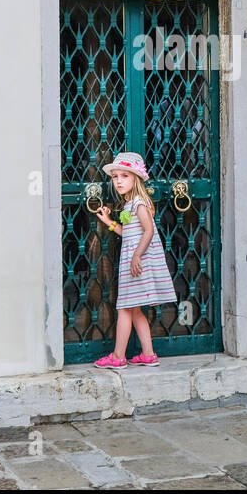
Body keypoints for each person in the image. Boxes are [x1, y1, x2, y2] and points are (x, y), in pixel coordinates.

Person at [93, 152, 178, 368]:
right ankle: (148, 354)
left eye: (124, 176)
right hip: (132, 260)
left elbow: (148, 231)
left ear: (136, 179)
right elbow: (129, 232)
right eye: (115, 177)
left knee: (124, 308)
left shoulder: (139, 203)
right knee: (135, 309)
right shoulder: (129, 204)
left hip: (137, 262)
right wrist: (109, 222)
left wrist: (137, 255)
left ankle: (118, 356)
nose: (118, 181)